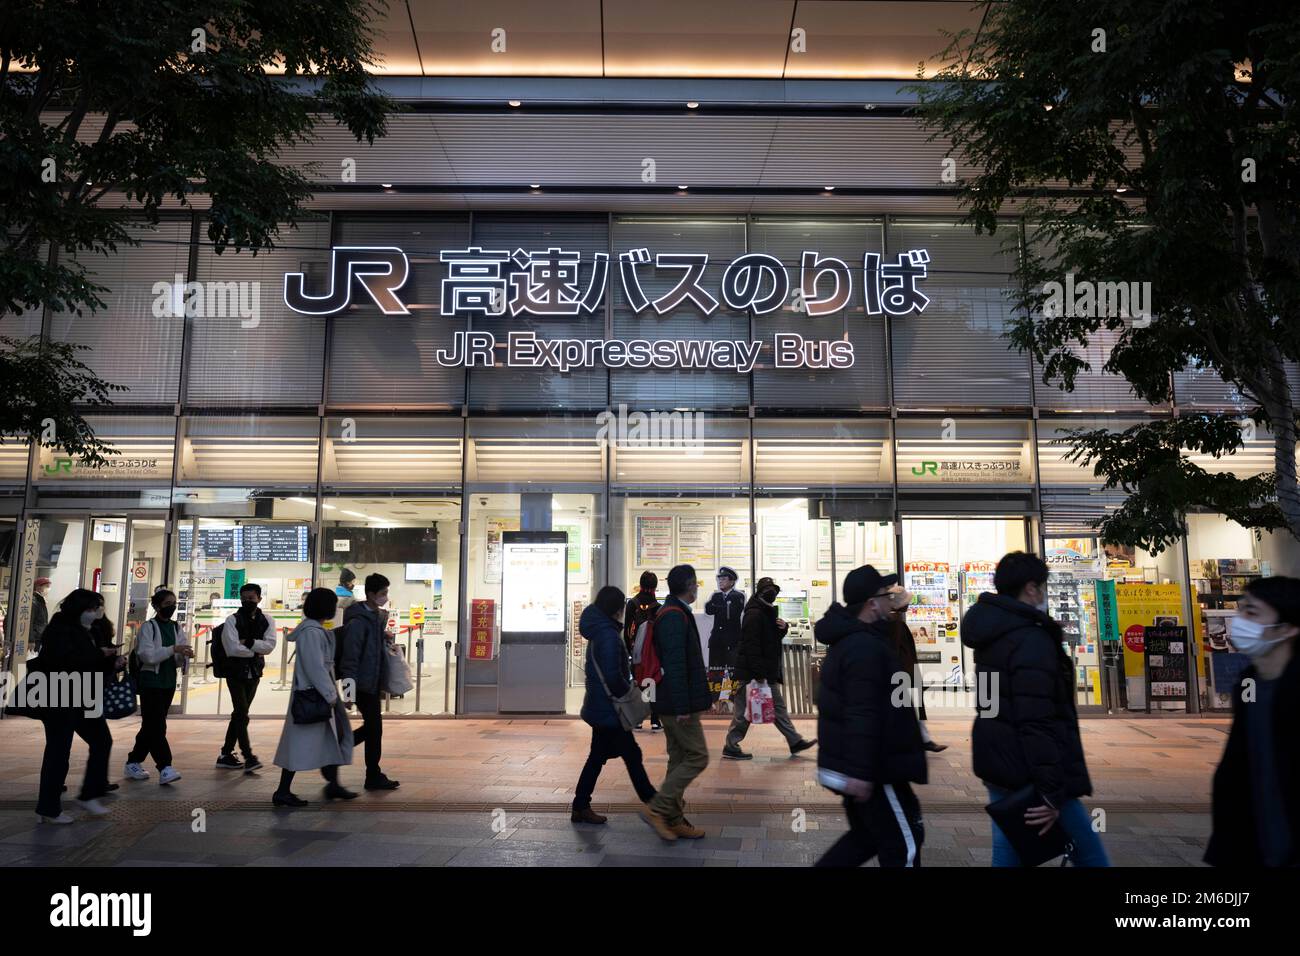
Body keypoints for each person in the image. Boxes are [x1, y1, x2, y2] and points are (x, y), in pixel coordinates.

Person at [961, 551, 1108, 867]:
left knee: (1008, 849)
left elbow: (991, 702)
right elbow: (1036, 718)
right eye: (1043, 586)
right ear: (1031, 588)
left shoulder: (991, 634)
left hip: (997, 757)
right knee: (1090, 855)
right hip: (1032, 771)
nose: (1044, 593)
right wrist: (1051, 790)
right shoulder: (1031, 638)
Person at [813, 565, 927, 867]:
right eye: (886, 595)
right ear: (871, 603)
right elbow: (861, 712)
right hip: (877, 769)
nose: (891, 600)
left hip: (872, 764)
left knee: (866, 837)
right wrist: (862, 773)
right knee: (905, 844)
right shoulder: (862, 646)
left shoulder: (860, 639)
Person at [1206, 576, 1300, 867]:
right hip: (1255, 845)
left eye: (1252, 613)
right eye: (1240, 610)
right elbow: (1238, 768)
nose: (1239, 621)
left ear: (1286, 628)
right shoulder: (1249, 683)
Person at [32, 589, 121, 823]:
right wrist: (97, 655)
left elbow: (92, 661)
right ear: (78, 608)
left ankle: (89, 794)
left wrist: (111, 659)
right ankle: (49, 809)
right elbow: (63, 662)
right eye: (91, 608)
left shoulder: (92, 630)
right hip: (59, 695)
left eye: (97, 608)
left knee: (102, 740)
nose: (96, 613)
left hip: (83, 696)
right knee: (58, 751)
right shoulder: (59, 629)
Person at [572, 585, 657, 824]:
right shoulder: (608, 635)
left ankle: (580, 806)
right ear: (617, 609)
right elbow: (612, 675)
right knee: (632, 754)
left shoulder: (600, 630)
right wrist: (629, 692)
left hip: (601, 706)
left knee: (598, 756)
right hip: (610, 709)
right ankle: (655, 802)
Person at [640, 564, 711, 842]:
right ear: (689, 585)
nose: (697, 588)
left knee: (680, 758)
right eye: (696, 583)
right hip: (676, 703)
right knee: (698, 756)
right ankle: (657, 809)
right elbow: (675, 665)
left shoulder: (675, 611)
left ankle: (673, 818)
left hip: (672, 700)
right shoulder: (672, 616)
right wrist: (682, 707)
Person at [272, 587, 356, 807]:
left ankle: (332, 784)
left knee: (328, 739)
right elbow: (315, 667)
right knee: (301, 744)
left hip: (316, 695)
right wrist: (331, 696)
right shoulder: (312, 632)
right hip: (315, 697)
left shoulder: (314, 630)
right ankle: (283, 791)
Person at [722, 576, 816, 760]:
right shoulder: (755, 613)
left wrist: (782, 629)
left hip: (763, 672)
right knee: (743, 713)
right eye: (768, 590)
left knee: (777, 708)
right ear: (760, 592)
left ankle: (794, 740)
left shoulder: (765, 612)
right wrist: (759, 674)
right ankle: (731, 746)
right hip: (753, 673)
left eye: (774, 589)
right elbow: (751, 646)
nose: (772, 593)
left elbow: (769, 641)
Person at [125, 589, 193, 786]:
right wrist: (174, 649)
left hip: (168, 682)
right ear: (157, 606)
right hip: (150, 682)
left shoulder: (175, 627)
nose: (171, 606)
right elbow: (147, 655)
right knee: (157, 726)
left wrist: (184, 654)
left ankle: (133, 761)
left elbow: (178, 657)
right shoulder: (149, 627)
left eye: (173, 602)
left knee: (151, 725)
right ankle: (165, 766)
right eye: (167, 603)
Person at [339, 572, 399, 791]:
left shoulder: (376, 618)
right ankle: (341, 752)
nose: (386, 596)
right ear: (371, 594)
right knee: (374, 728)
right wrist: (348, 693)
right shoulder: (358, 621)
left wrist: (383, 637)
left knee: (374, 728)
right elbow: (350, 658)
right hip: (363, 684)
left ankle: (371, 772)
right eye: (383, 593)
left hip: (372, 682)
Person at [216, 583, 277, 772]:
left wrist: (248, 642)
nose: (247, 602)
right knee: (242, 713)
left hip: (254, 673)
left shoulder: (267, 620)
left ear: (259, 598)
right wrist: (255, 651)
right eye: (244, 599)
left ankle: (225, 753)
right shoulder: (231, 620)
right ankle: (248, 756)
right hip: (234, 672)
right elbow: (232, 649)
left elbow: (270, 646)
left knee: (239, 714)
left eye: (251, 598)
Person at [889, 598, 946, 753]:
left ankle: (922, 739)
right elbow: (899, 651)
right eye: (906, 602)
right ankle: (922, 740)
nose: (909, 604)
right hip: (902, 673)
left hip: (902, 673)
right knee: (910, 708)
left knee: (910, 708)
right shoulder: (896, 624)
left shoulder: (894, 621)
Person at [624, 571, 663, 731]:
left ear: (640, 585)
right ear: (655, 587)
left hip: (636, 650)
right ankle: (655, 720)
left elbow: (627, 630)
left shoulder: (632, 604)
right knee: (652, 682)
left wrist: (630, 650)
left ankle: (638, 720)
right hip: (652, 652)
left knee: (638, 681)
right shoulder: (659, 607)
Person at [704, 566, 745, 669]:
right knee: (715, 672)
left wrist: (717, 607)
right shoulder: (716, 596)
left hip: (731, 641)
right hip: (716, 641)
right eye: (719, 579)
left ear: (732, 582)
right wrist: (723, 607)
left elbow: (730, 614)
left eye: (723, 579)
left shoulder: (738, 596)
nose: (720, 582)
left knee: (732, 674)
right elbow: (708, 610)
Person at [30, 577, 51, 652]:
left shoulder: (41, 601)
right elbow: (30, 622)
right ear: (38, 587)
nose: (49, 589)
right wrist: (31, 640)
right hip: (35, 638)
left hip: (39, 637)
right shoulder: (34, 602)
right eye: (47, 587)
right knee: (29, 659)